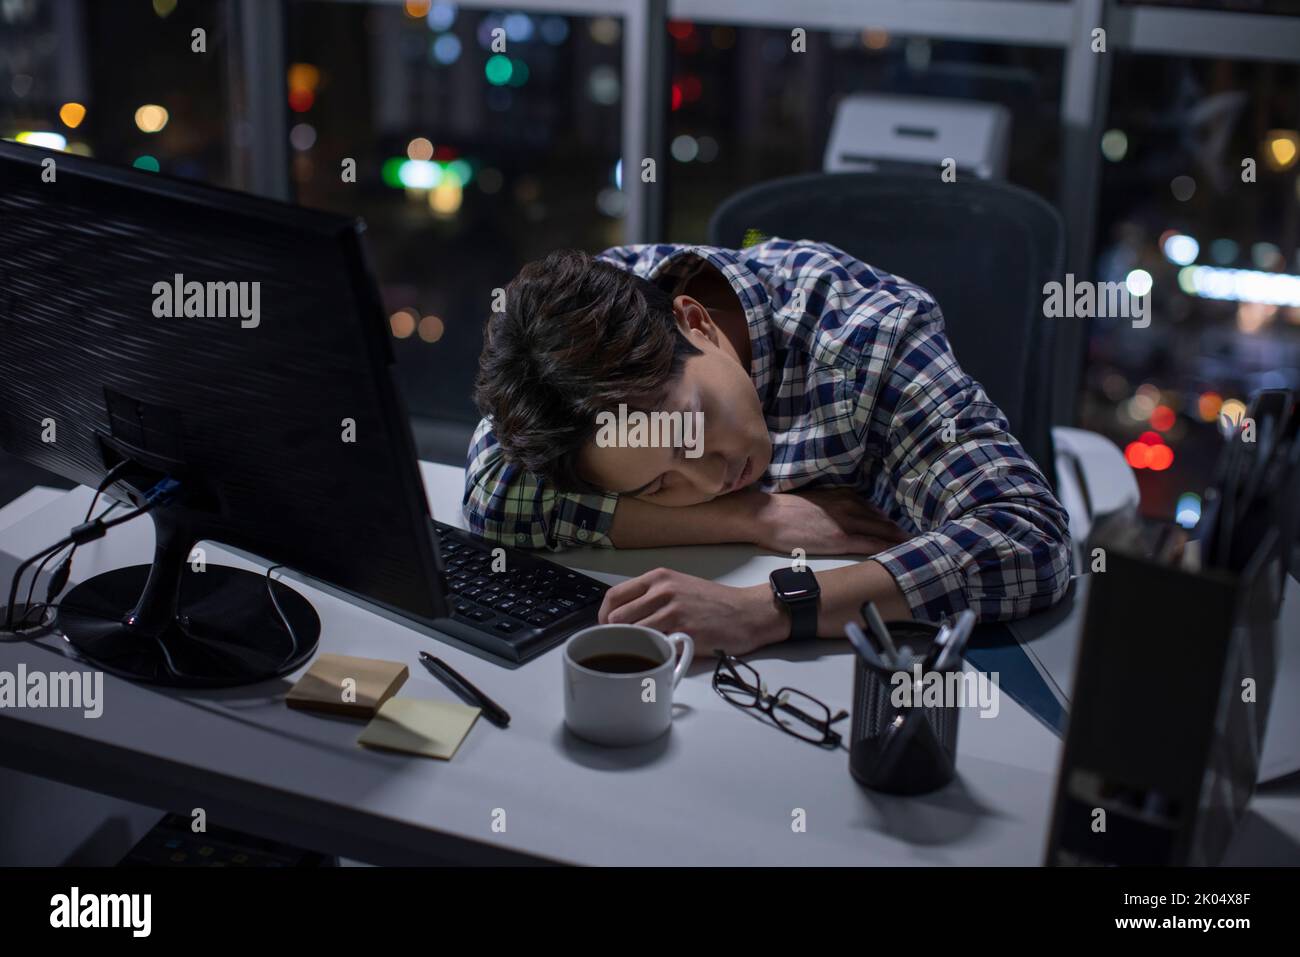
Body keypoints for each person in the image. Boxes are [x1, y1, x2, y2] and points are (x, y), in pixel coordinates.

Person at [465, 239, 1071, 655]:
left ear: (694, 322)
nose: (708, 479)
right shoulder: (586, 320)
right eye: (657, 485)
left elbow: (1029, 539)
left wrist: (765, 610)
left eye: (692, 426)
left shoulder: (866, 341)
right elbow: (492, 493)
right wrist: (753, 515)